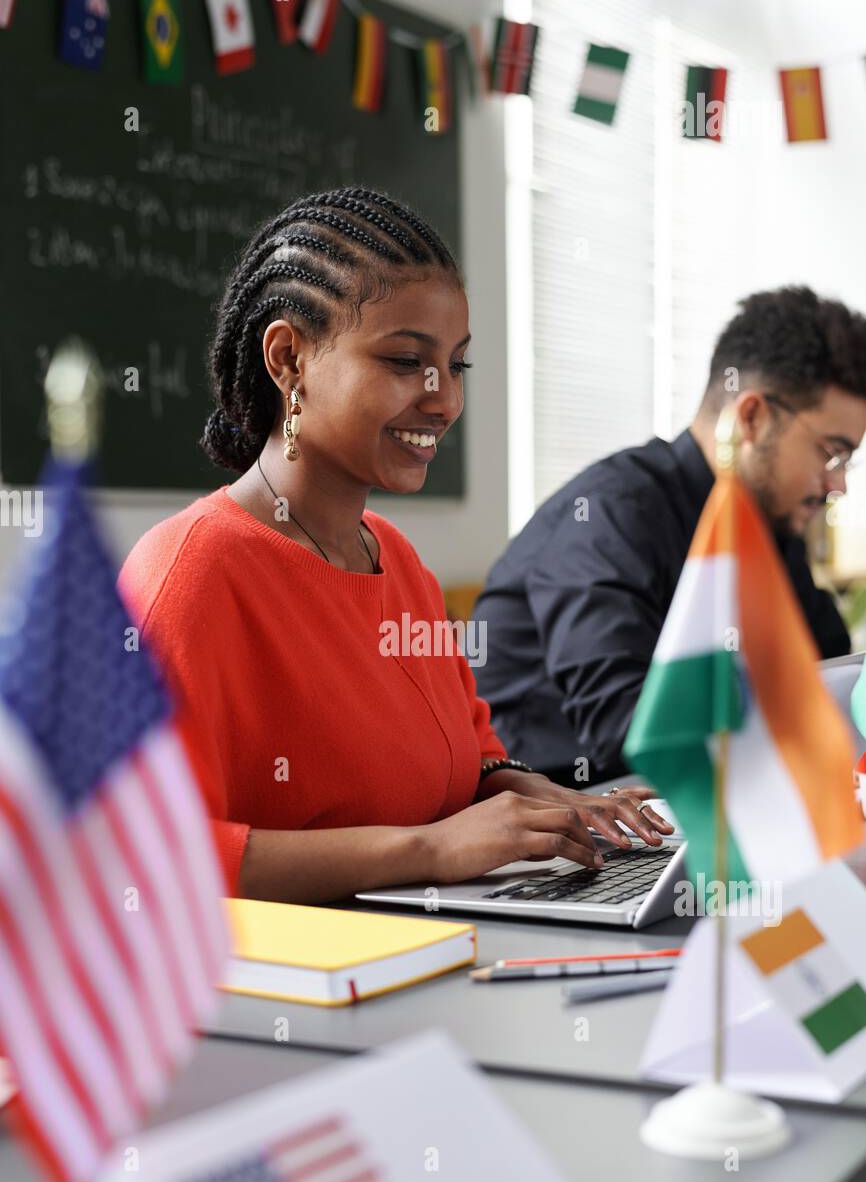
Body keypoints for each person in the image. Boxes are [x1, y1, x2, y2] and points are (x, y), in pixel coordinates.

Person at [118, 187, 673, 904]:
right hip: (292, 993)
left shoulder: (395, 559)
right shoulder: (190, 572)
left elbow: (464, 766)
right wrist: (427, 851)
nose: (444, 399)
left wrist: (538, 797)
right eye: (406, 362)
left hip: (444, 948)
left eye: (457, 365)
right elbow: (147, 862)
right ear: (288, 359)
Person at [473, 286, 866, 786]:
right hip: (567, 815)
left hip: (679, 808)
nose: (839, 483)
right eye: (831, 453)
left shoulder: (768, 525)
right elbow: (627, 728)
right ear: (752, 418)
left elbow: (829, 673)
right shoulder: (611, 512)